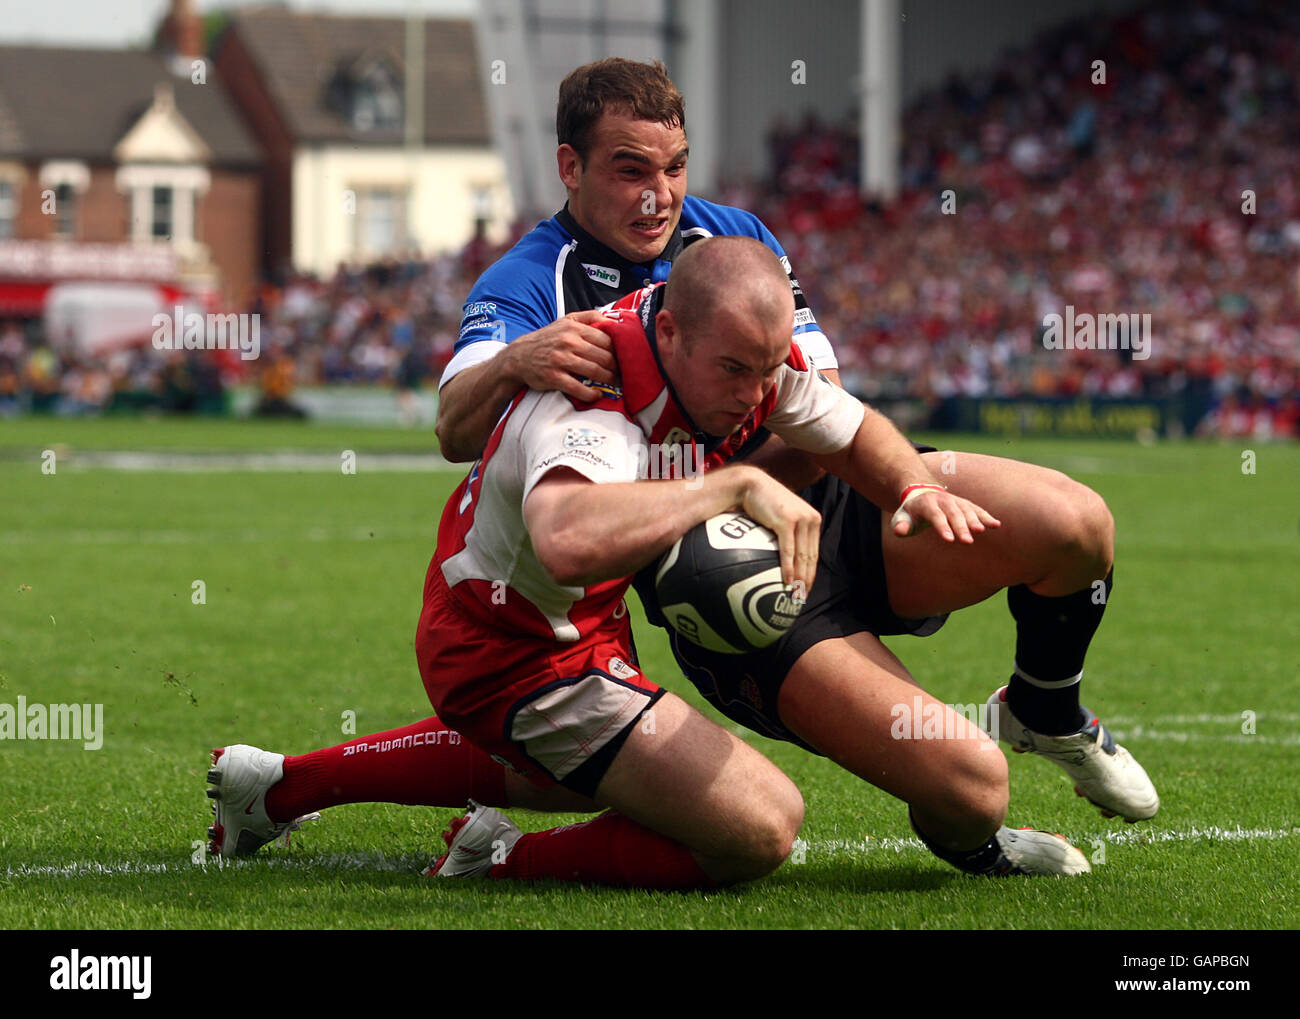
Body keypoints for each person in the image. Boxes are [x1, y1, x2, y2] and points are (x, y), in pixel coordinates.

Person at [207, 59, 1156, 876]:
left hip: (802, 495)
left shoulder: (729, 246)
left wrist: (904, 487)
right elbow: (469, 439)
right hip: (707, 562)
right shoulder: (556, 323)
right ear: (571, 169)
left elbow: (819, 400)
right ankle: (459, 836)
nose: (659, 196)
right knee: (925, 793)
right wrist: (514, 364)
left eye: (673, 168)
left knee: (1072, 522)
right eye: (630, 172)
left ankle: (1043, 706)